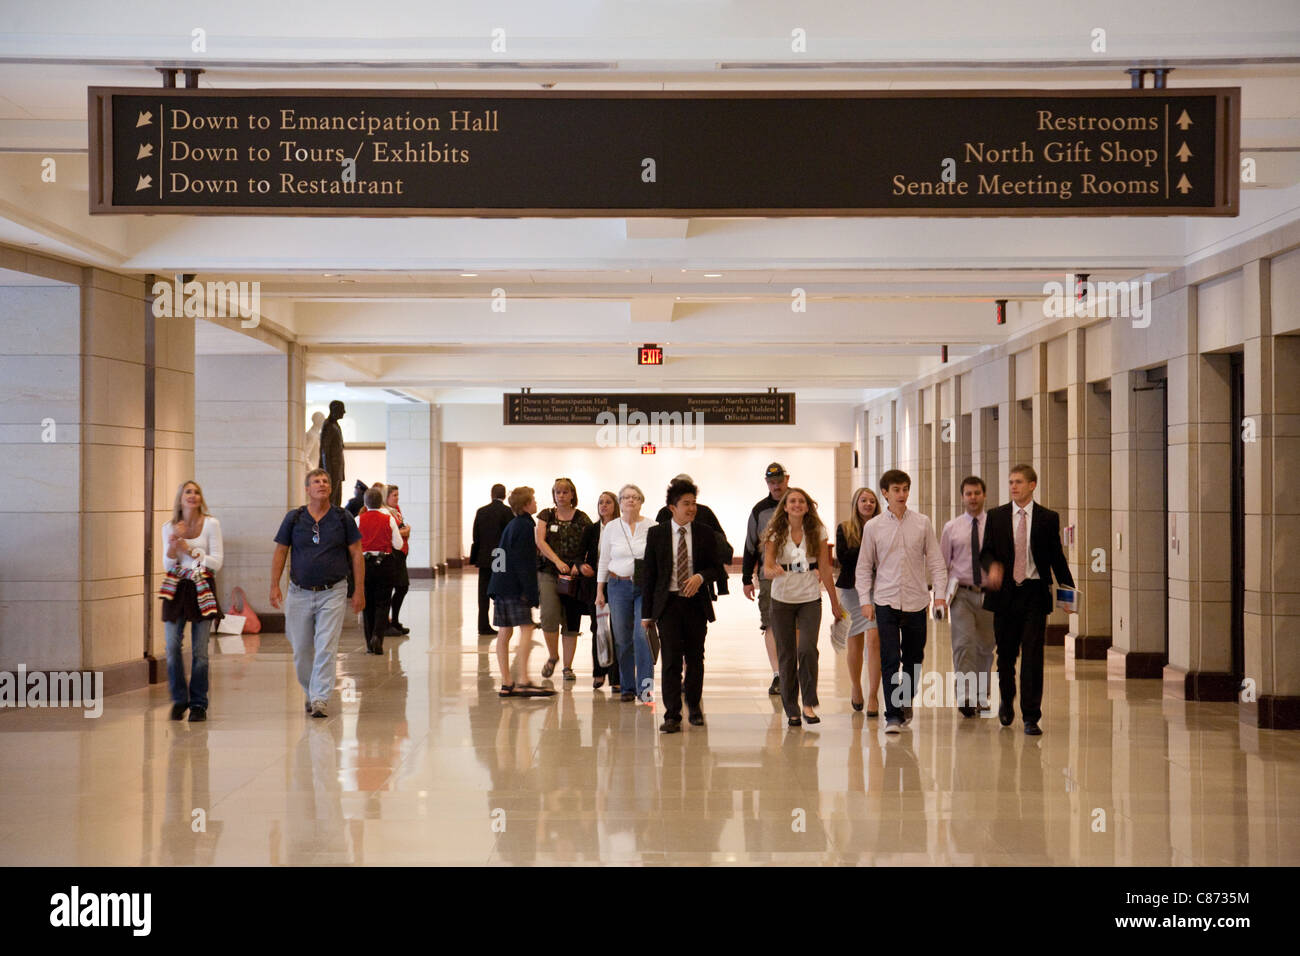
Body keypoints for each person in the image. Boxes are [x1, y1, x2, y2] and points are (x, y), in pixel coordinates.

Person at [979, 464, 1076, 735]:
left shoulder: (1047, 518)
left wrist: (1069, 593)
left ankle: (1032, 715)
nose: (1013, 486)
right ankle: (1007, 702)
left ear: (1032, 485)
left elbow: (1057, 557)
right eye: (1011, 482)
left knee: (1033, 655)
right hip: (1005, 596)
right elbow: (985, 553)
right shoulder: (996, 516)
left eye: (1019, 482)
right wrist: (992, 567)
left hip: (1034, 594)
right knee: (1007, 656)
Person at [855, 469, 947, 735]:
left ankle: (906, 699)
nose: (902, 495)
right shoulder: (873, 527)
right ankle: (892, 715)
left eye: (905, 489)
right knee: (890, 657)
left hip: (917, 601)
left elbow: (937, 562)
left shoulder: (922, 523)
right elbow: (864, 567)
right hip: (885, 600)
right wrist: (865, 600)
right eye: (896, 490)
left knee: (914, 658)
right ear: (885, 493)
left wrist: (939, 594)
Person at [271, 468, 365, 718]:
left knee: (326, 646)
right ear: (307, 489)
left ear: (330, 488)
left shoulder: (342, 517)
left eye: (326, 481)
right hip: (299, 591)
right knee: (301, 649)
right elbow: (281, 551)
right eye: (316, 481)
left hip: (332, 591)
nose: (322, 484)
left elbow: (356, 553)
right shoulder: (295, 518)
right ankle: (311, 690)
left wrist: (359, 590)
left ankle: (320, 698)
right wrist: (274, 585)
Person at [641, 478, 727, 733]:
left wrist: (701, 577)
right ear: (672, 507)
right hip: (668, 605)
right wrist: (647, 614)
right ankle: (671, 714)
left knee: (695, 657)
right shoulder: (657, 534)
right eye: (685, 504)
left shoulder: (703, 532)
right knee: (670, 660)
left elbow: (715, 568)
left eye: (693, 503)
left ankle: (694, 706)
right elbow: (649, 576)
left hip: (695, 604)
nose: (691, 508)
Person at [763, 488, 842, 727]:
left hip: (809, 596)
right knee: (786, 654)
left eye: (801, 501)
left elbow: (826, 569)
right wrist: (773, 570)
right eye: (792, 501)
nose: (797, 505)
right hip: (782, 598)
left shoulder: (817, 531)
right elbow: (766, 567)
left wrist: (834, 603)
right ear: (785, 507)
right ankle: (792, 708)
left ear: (808, 507)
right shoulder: (775, 532)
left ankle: (808, 703)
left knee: (807, 649)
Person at [159, 480, 224, 722]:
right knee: (172, 646)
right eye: (188, 492)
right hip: (176, 589)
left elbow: (216, 562)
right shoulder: (168, 527)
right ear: (180, 497)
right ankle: (179, 699)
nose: (192, 496)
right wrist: (173, 547)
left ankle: (198, 703)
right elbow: (168, 565)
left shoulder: (211, 524)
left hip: (202, 587)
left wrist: (188, 549)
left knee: (200, 651)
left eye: (196, 492)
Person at [489, 487, 555, 697]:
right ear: (526, 505)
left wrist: (494, 585)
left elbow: (500, 555)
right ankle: (523, 680)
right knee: (527, 627)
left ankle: (507, 683)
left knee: (504, 631)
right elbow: (523, 563)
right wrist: (531, 593)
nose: (536, 503)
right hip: (514, 588)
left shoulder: (512, 525)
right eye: (533, 500)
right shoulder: (526, 526)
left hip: (501, 585)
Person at [940, 476, 996, 717]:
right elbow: (941, 564)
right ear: (962, 497)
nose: (972, 498)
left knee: (985, 647)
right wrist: (939, 597)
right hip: (962, 594)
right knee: (963, 645)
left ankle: (982, 695)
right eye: (968, 494)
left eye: (977, 493)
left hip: (990, 595)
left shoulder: (995, 526)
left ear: (984, 495)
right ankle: (965, 696)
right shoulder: (951, 528)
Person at [597, 484, 655, 702]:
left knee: (642, 636)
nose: (631, 500)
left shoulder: (652, 526)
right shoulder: (611, 527)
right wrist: (599, 591)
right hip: (617, 586)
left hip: (644, 588)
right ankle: (628, 686)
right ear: (620, 503)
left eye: (635, 497)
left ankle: (646, 687)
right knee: (622, 638)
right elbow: (603, 560)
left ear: (641, 501)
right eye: (626, 497)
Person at [535, 478, 592, 682]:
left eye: (565, 492)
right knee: (549, 614)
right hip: (549, 571)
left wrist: (578, 565)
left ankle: (567, 667)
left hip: (573, 576)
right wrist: (558, 561)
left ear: (572, 494)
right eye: (558, 492)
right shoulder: (546, 515)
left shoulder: (582, 519)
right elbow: (540, 541)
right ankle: (553, 656)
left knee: (571, 620)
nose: (561, 496)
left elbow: (589, 546)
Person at [742, 462, 790, 696]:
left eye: (779, 481)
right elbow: (750, 545)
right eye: (772, 482)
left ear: (787, 479)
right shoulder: (759, 510)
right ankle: (778, 674)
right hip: (769, 575)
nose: (776, 485)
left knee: (795, 625)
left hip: (797, 576)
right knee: (770, 622)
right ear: (767, 483)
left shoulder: (800, 504)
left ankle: (791, 670)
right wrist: (746, 579)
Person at [837, 487, 882, 716]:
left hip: (877, 588)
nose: (867, 504)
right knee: (855, 640)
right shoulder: (845, 529)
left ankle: (873, 694)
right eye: (863, 500)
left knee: (875, 640)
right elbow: (843, 558)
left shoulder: (884, 525)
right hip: (851, 589)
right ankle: (856, 686)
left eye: (871, 501)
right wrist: (867, 547)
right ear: (856, 503)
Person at [654, 473, 732, 597]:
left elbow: (719, 538)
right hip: (671, 578)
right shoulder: (664, 512)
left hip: (700, 575)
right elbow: (658, 544)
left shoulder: (704, 512)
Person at [580, 490, 620, 691]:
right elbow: (579, 555)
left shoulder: (622, 528)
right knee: (598, 629)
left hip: (617, 583)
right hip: (595, 585)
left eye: (608, 502)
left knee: (617, 630)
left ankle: (616, 677)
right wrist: (581, 566)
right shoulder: (592, 529)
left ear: (616, 506)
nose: (603, 505)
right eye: (600, 502)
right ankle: (598, 671)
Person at [358, 486, 403, 654]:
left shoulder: (358, 519)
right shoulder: (388, 519)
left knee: (367, 603)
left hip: (364, 564)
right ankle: (378, 635)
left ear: (365, 502)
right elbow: (398, 544)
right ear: (381, 502)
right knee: (383, 603)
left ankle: (369, 641)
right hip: (384, 563)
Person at [470, 484, 513, 635]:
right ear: (505, 496)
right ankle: (501, 622)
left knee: (483, 592)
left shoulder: (481, 511)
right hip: (500, 556)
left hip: (483, 557)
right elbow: (509, 537)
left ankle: (483, 625)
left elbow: (476, 535)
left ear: (491, 494)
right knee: (499, 591)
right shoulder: (508, 512)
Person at [383, 484, 411, 635]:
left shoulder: (396, 510)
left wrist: (405, 531)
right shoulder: (386, 512)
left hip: (401, 553)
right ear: (386, 497)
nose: (397, 498)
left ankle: (395, 620)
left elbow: (402, 528)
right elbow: (395, 533)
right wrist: (405, 531)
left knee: (402, 587)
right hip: (393, 554)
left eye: (397, 495)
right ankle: (387, 623)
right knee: (398, 587)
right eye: (394, 495)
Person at [319, 400, 347, 508]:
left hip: (337, 471)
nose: (344, 412)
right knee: (331, 501)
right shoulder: (329, 426)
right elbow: (325, 451)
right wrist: (327, 474)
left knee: (336, 501)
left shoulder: (335, 425)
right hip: (332, 471)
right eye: (342, 409)